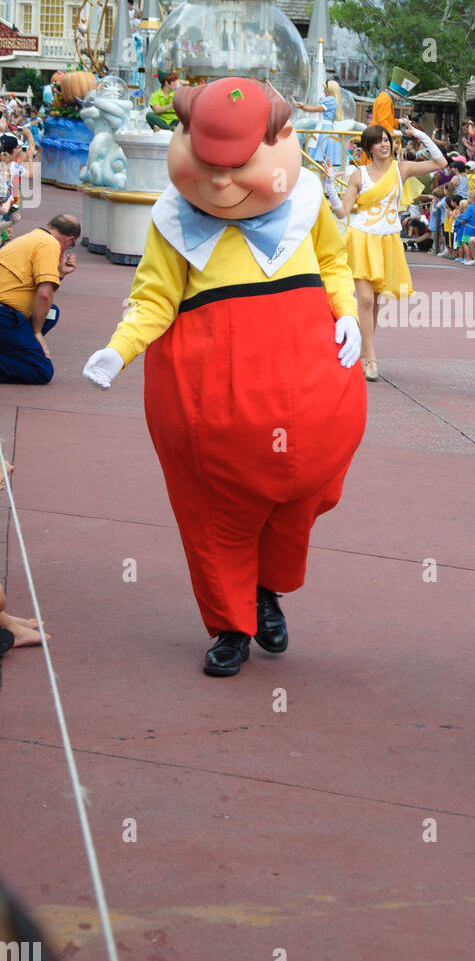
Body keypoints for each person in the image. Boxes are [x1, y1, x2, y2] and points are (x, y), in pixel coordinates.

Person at [84, 77, 366, 679]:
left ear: (282, 141)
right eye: (207, 164)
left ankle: (268, 590)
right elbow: (154, 297)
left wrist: (346, 312)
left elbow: (335, 262)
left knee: (300, 499)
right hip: (211, 405)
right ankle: (231, 626)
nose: (219, 183)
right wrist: (121, 347)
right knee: (216, 518)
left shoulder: (309, 201)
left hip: (310, 393)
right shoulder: (172, 220)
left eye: (236, 166)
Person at [322, 121, 446, 380]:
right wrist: (331, 186)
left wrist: (420, 135)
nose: (384, 144)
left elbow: (440, 163)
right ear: (369, 146)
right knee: (365, 299)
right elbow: (342, 212)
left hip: (388, 240)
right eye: (378, 141)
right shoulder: (358, 175)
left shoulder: (401, 169)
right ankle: (371, 357)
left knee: (376, 301)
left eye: (387, 140)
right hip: (361, 238)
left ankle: (364, 352)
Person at [0, 214, 79, 384]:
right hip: (5, 315)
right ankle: (23, 351)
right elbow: (44, 294)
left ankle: (17, 348)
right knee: (41, 370)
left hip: (8, 312)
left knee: (51, 313)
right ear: (69, 239)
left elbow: (38, 291)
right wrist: (37, 333)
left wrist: (60, 274)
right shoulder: (50, 244)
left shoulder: (33, 236)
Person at [290, 78, 344, 170]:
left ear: (329, 89)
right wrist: (301, 106)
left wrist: (302, 106)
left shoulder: (330, 100)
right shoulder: (333, 100)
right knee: (323, 160)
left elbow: (314, 109)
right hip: (327, 129)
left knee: (321, 156)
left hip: (324, 130)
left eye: (325, 88)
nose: (323, 90)